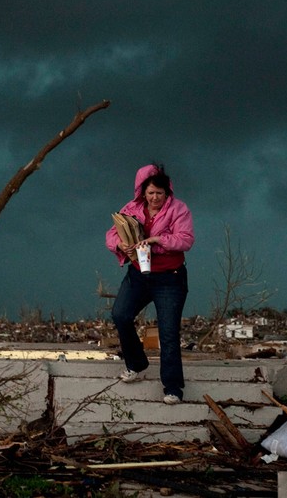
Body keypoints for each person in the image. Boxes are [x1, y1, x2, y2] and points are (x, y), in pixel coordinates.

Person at [105, 163, 194, 404]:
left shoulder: (179, 209)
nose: (155, 198)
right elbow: (112, 233)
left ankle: (173, 387)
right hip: (138, 274)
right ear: (142, 192)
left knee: (167, 333)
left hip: (170, 278)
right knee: (121, 315)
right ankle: (136, 364)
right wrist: (119, 245)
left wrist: (158, 240)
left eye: (160, 193)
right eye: (151, 193)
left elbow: (186, 240)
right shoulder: (131, 208)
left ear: (167, 192)